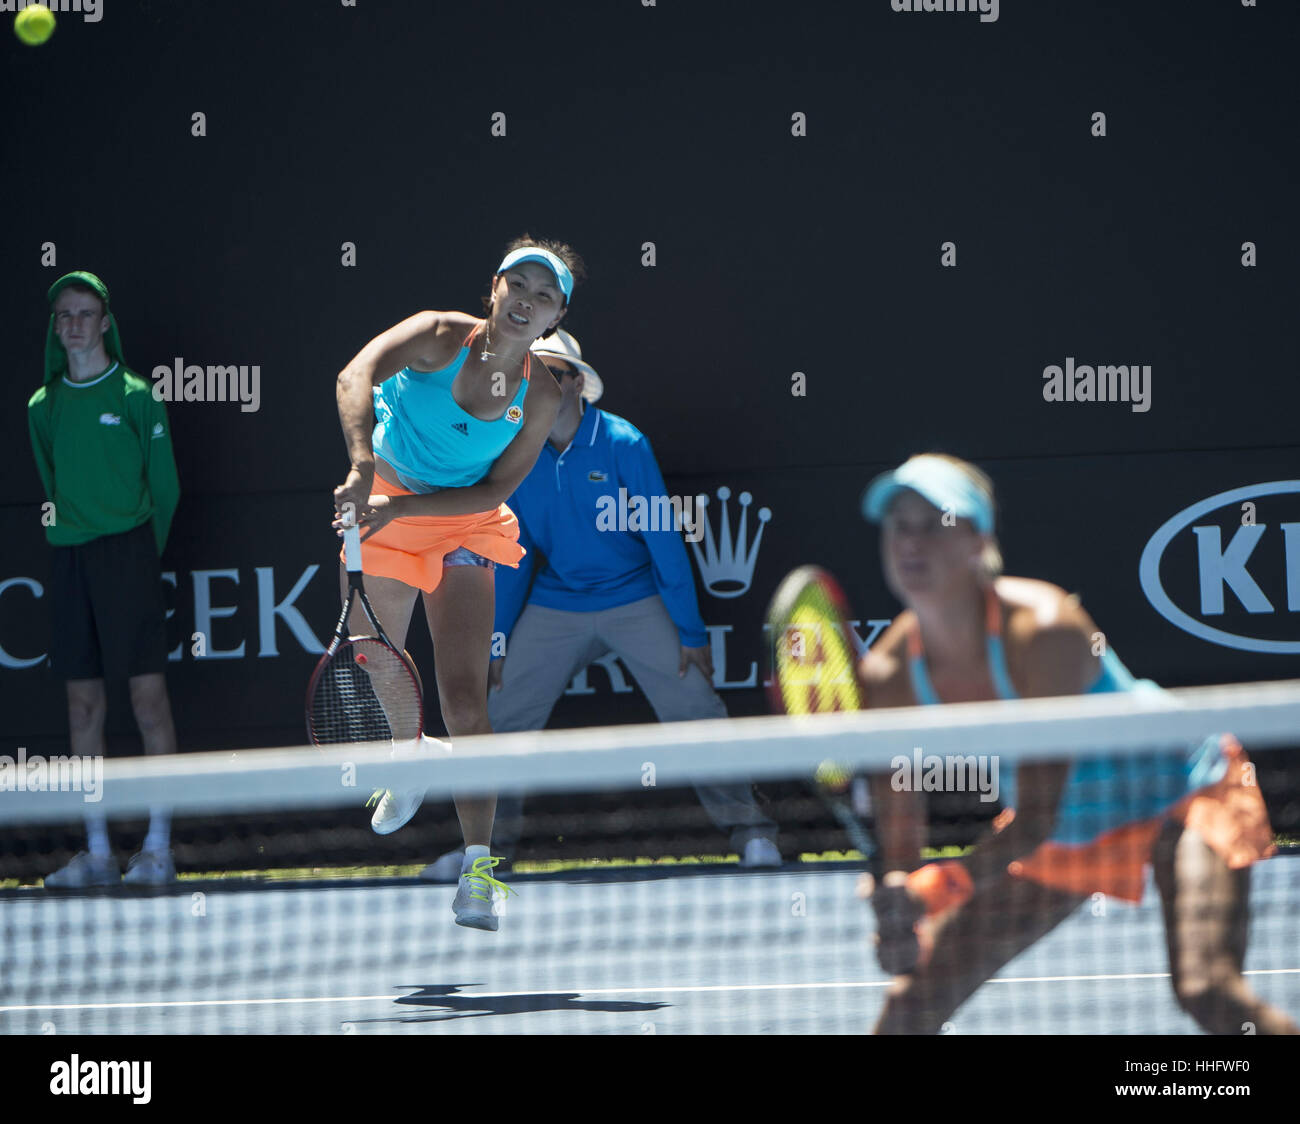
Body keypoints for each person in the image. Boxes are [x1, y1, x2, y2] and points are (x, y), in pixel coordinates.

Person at [854, 453, 1295, 1034]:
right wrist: (898, 907)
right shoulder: (888, 674)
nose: (912, 543)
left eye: (934, 523)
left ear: (978, 539)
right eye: (898, 525)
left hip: (1182, 794)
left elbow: (1035, 817)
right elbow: (900, 832)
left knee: (1206, 989)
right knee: (909, 1011)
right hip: (1070, 830)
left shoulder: (1044, 631)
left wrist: (932, 891)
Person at [421, 329, 779, 882]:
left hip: (635, 597)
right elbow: (512, 558)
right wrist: (497, 642)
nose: (538, 382)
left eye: (553, 373)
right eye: (528, 373)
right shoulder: (513, 454)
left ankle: (753, 833)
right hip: (556, 601)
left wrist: (689, 630)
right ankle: (482, 855)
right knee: (498, 720)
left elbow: (665, 542)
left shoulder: (625, 444)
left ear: (578, 386)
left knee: (695, 707)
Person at [332, 236, 578, 930]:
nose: (528, 302)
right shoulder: (437, 337)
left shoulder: (541, 395)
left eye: (545, 296)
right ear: (494, 289)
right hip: (382, 490)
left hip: (460, 517)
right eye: (519, 286)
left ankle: (478, 869)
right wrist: (359, 467)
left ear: (555, 317)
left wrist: (401, 508)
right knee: (372, 656)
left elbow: (495, 488)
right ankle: (414, 754)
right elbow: (355, 375)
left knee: (467, 698)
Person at [27, 271, 182, 888]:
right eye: (63, 316)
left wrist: (138, 554)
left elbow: (164, 490)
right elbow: (52, 484)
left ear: (105, 322)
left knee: (148, 701)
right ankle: (96, 853)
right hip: (71, 562)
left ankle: (159, 848)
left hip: (131, 556)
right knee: (83, 704)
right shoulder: (44, 407)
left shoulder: (138, 395)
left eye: (85, 313)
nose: (74, 326)